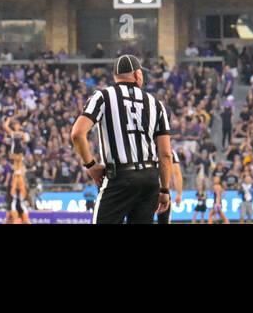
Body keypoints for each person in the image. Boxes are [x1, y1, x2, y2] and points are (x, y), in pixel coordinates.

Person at [70, 54, 175, 224]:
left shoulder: (103, 96)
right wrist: (164, 190)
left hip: (120, 177)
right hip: (149, 178)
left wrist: (91, 166)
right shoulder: (156, 104)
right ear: (138, 75)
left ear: (115, 77)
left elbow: (77, 133)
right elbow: (166, 154)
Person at [157, 148, 182, 225]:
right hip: (162, 190)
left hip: (143, 187)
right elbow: (177, 174)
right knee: (164, 220)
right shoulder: (169, 151)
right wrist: (179, 193)